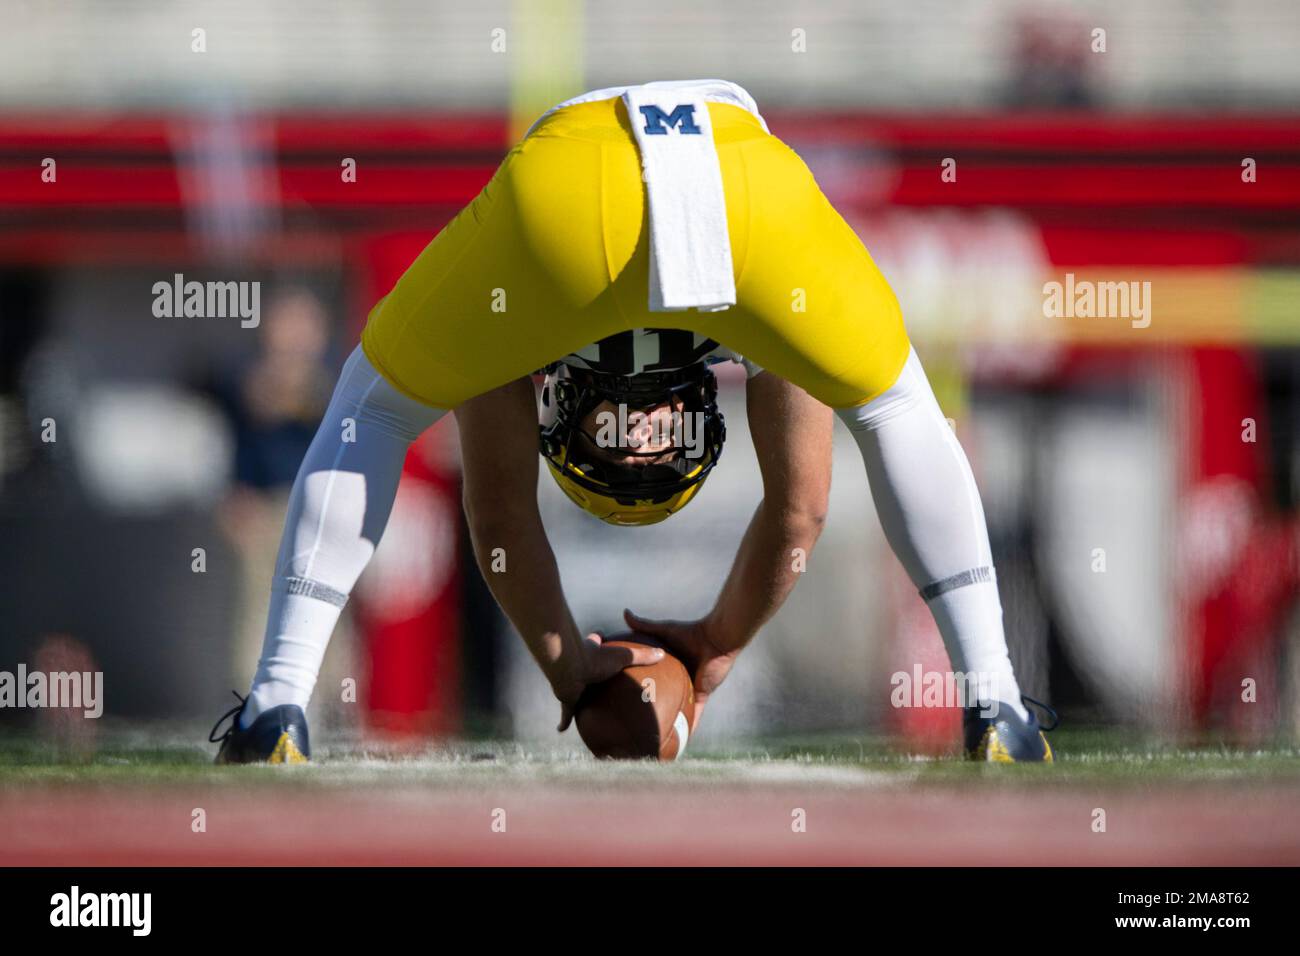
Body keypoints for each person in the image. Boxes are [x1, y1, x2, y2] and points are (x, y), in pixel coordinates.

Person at [209, 80, 1054, 764]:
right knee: (897, 405)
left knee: (374, 404)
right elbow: (801, 511)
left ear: (561, 412)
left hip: (583, 202)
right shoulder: (746, 320)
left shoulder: (532, 329)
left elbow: (501, 514)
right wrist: (719, 640)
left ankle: (279, 704)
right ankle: (996, 703)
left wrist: (570, 671)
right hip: (740, 197)